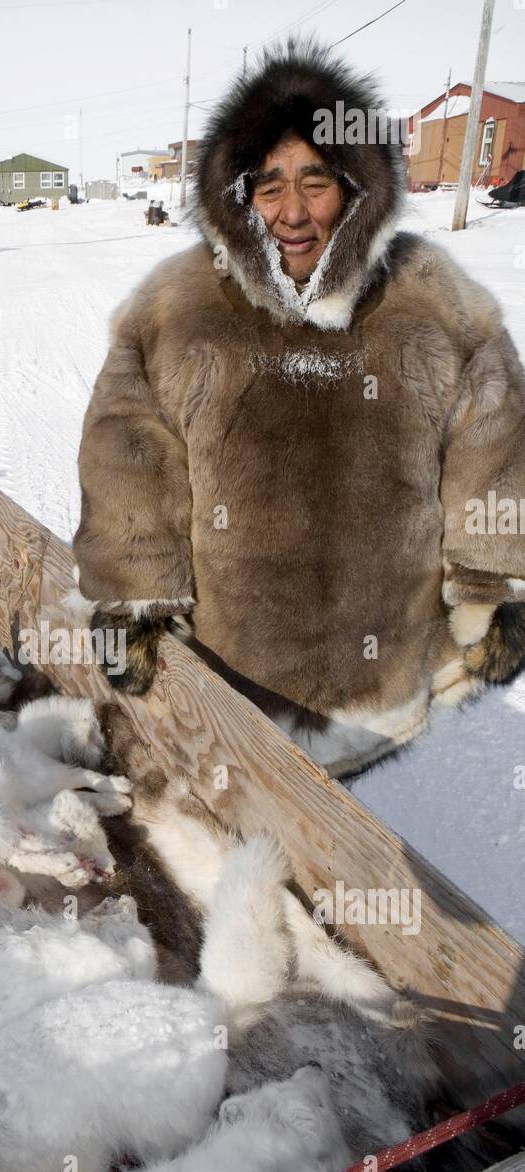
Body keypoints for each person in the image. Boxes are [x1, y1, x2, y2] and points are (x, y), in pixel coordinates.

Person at [72, 40, 525, 775]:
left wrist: (492, 584)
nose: (292, 212)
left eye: (315, 182)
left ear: (356, 189)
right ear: (239, 195)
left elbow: (495, 443)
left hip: (384, 676)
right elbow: (128, 455)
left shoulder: (434, 298)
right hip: (230, 677)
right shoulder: (176, 307)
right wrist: (136, 599)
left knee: (337, 841)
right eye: (270, 184)